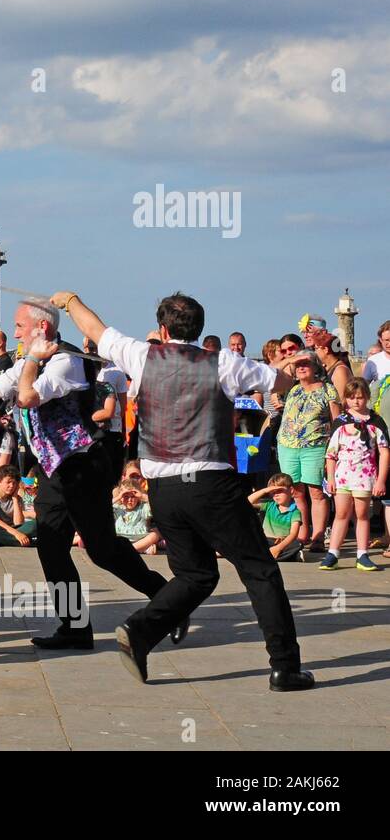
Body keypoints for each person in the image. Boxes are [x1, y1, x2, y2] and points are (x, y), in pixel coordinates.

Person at [55, 289, 312, 691]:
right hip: (212, 484)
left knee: (196, 575)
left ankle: (141, 632)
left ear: (162, 328)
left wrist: (69, 300)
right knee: (259, 571)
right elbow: (280, 382)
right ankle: (284, 667)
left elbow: (95, 328)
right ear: (200, 328)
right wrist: (282, 366)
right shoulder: (224, 363)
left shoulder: (141, 356)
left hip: (164, 490)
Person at [0, 297, 173, 651]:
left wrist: (32, 359)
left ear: (41, 328)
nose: (15, 333)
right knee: (51, 546)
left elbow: (28, 396)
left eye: (20, 327)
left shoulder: (64, 362)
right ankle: (75, 627)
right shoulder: (32, 360)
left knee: (102, 549)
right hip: (54, 470)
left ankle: (166, 598)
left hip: (83, 467)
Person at [322, 378, 388, 571]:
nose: (356, 401)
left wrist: (381, 480)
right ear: (346, 399)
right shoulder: (341, 422)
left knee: (362, 514)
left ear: (367, 397)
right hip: (343, 475)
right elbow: (331, 454)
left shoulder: (376, 422)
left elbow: (384, 452)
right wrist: (331, 478)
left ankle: (362, 554)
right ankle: (333, 553)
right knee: (341, 513)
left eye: (360, 397)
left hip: (365, 476)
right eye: (351, 398)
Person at [277, 351, 340, 547]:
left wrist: (334, 449)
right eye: (299, 364)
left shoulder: (328, 389)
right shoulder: (293, 389)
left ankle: (319, 535)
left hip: (315, 446)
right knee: (295, 491)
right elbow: (271, 373)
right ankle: (302, 533)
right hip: (288, 446)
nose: (301, 367)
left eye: (306, 363)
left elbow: (337, 422)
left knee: (316, 492)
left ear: (316, 367)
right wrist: (290, 360)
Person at [247, 474, 304, 562]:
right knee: (252, 541)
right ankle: (283, 556)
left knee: (296, 544)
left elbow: (293, 534)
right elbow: (248, 501)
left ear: (291, 490)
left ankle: (270, 555)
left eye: (280, 491)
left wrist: (279, 548)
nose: (276, 494)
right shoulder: (269, 505)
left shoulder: (295, 512)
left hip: (282, 542)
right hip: (266, 540)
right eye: (273, 492)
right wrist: (265, 490)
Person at [0, 464, 36, 547]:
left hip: (12, 529)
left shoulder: (16, 497)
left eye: (14, 483)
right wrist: (17, 534)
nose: (11, 486)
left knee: (34, 525)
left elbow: (18, 523)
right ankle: (25, 541)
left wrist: (15, 499)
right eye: (8, 482)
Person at [94, 355, 129, 484]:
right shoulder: (81, 385)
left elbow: (119, 409)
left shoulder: (113, 377)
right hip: (89, 435)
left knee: (112, 476)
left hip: (111, 431)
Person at [112, 479, 159, 554]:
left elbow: (156, 507)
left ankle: (134, 548)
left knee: (155, 535)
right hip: (120, 537)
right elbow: (102, 510)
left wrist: (142, 496)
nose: (129, 500)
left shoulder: (143, 508)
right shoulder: (118, 508)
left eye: (133, 496)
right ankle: (141, 549)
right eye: (126, 496)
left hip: (139, 539)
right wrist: (118, 497)